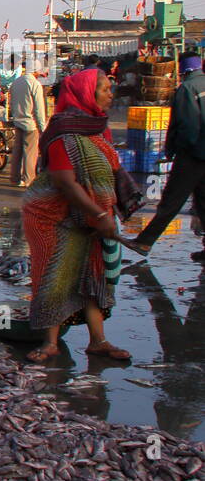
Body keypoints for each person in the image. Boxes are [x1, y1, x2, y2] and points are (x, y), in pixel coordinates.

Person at [23, 68, 144, 362]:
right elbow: (65, 181)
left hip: (90, 218)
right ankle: (49, 342)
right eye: (104, 89)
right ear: (85, 94)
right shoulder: (64, 129)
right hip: (53, 215)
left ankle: (98, 341)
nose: (110, 95)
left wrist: (101, 213)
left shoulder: (96, 126)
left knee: (93, 274)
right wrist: (99, 213)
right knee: (55, 275)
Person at [128, 53, 205, 258]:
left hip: (193, 155)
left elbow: (187, 126)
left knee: (172, 200)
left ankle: (144, 242)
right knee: (203, 200)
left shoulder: (187, 88)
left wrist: (175, 149)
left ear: (182, 68)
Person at [8, 68, 48, 187]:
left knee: (17, 151)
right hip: (30, 123)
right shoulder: (35, 84)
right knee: (30, 153)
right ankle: (29, 180)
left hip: (18, 120)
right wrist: (42, 127)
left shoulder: (16, 82)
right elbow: (39, 108)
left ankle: (14, 178)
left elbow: (11, 102)